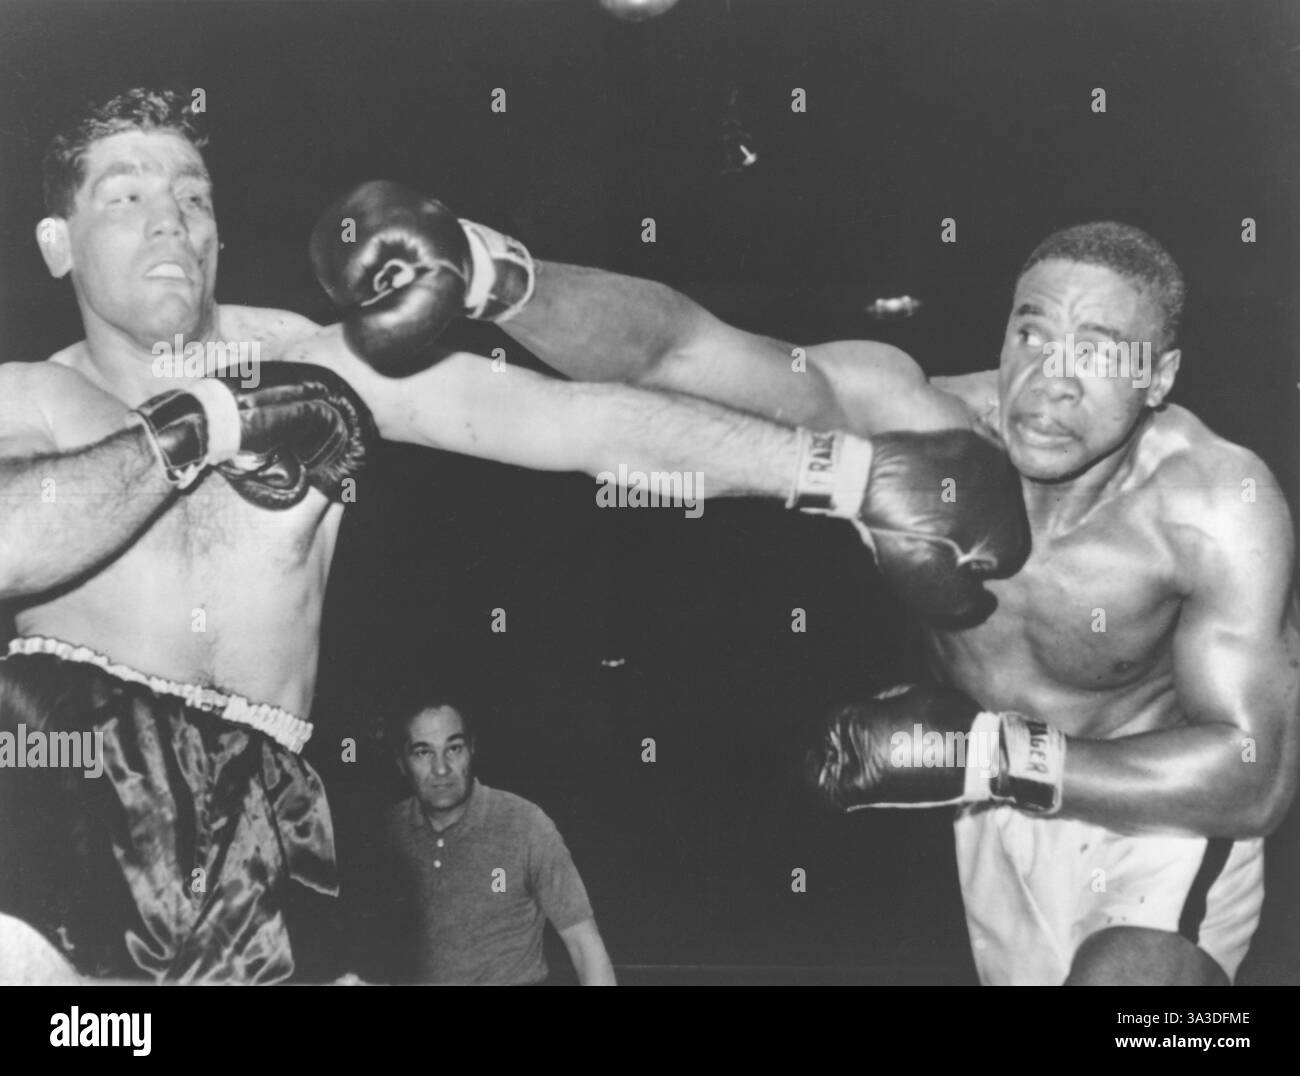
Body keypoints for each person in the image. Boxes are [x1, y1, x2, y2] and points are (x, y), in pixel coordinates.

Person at [0, 89, 1025, 983]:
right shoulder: (29, 402)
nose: (169, 220)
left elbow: (566, 423)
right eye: (125, 196)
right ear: (58, 242)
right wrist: (207, 425)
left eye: (192, 195)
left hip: (265, 814)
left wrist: (839, 473)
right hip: (70, 786)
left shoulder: (318, 365)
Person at [395, 204, 1298, 985]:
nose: (1052, 376)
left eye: (1098, 351)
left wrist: (986, 757)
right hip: (994, 819)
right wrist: (492, 274)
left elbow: (1255, 780)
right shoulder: (926, 422)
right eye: (1032, 332)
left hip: (1163, 816)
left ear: (1160, 378)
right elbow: (682, 352)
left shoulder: (1216, 505)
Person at [366, 702, 615, 985]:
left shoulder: (526, 825)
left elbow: (585, 946)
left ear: (472, 749)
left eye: (454, 748)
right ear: (401, 762)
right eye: (423, 752)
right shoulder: (383, 836)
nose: (441, 768)